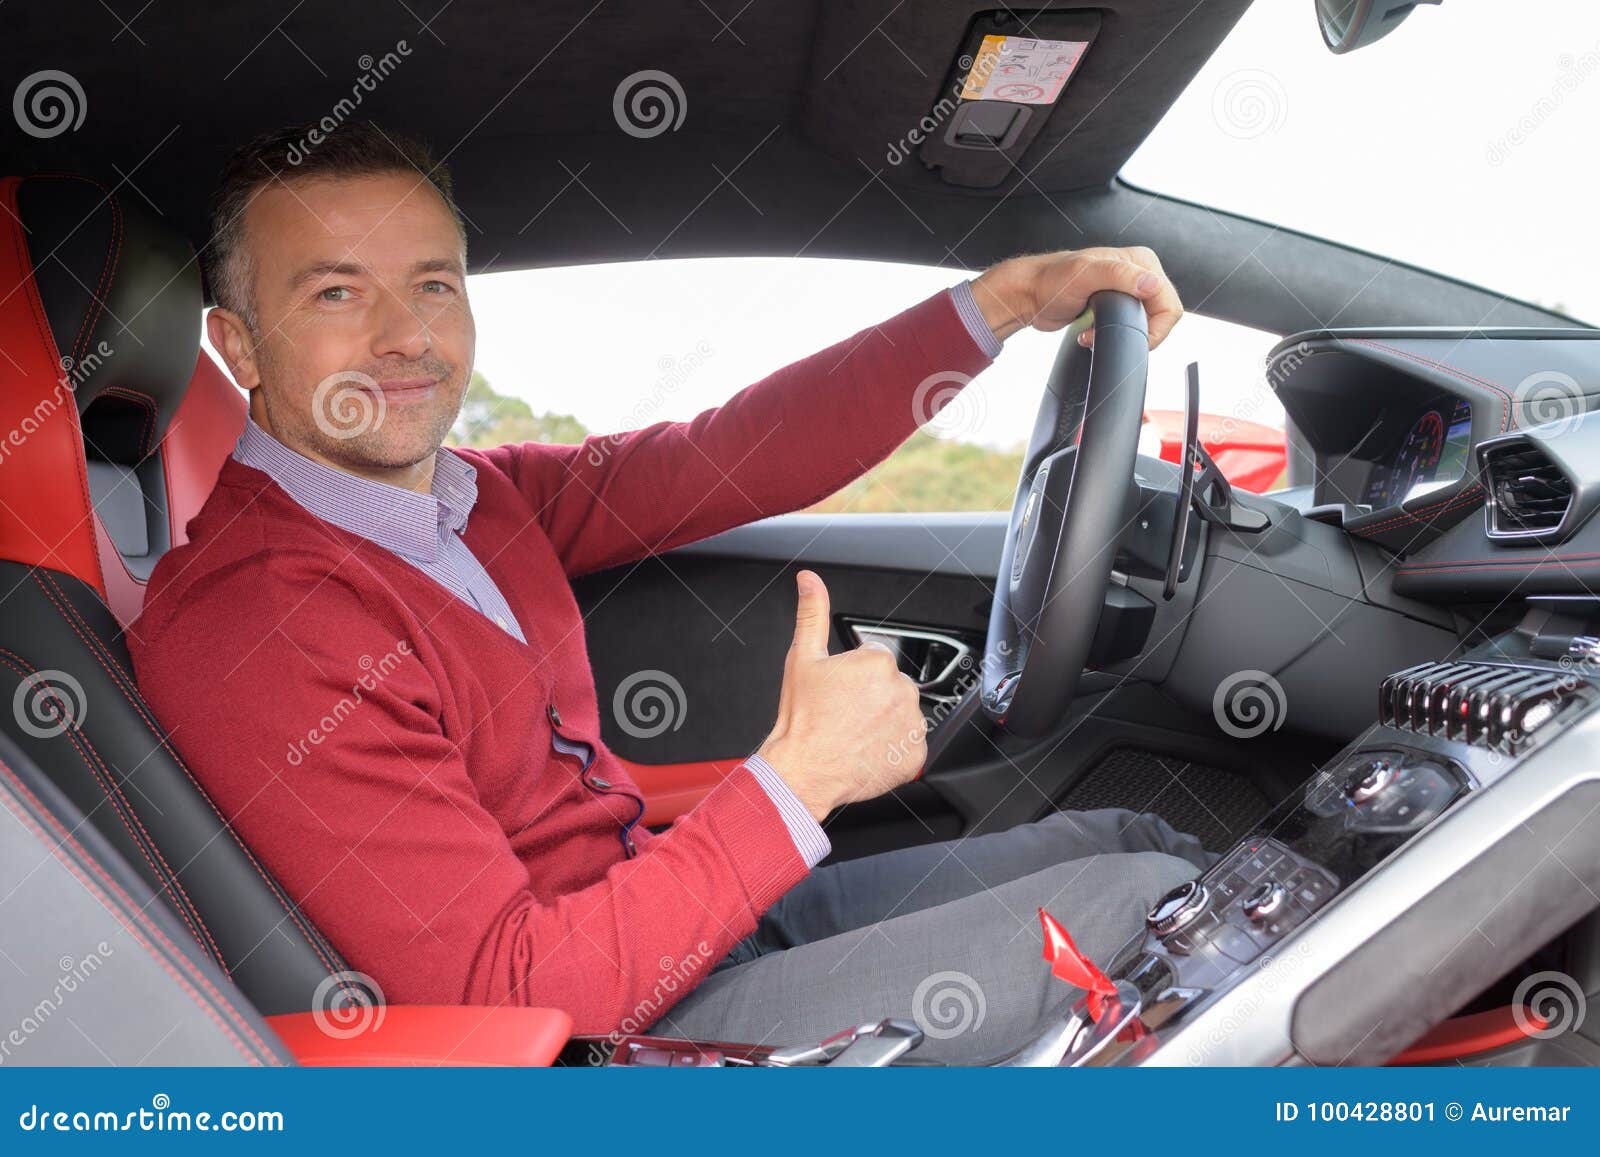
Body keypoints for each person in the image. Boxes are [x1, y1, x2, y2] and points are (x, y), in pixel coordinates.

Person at [130, 121, 1208, 1064]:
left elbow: (730, 454)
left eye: (434, 284)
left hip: (668, 925)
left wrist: (1004, 302)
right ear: (239, 345)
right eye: (335, 291)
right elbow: (510, 998)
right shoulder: (256, 625)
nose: (407, 334)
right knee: (1148, 908)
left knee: (1125, 839)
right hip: (612, 1045)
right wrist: (800, 776)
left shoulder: (477, 497)